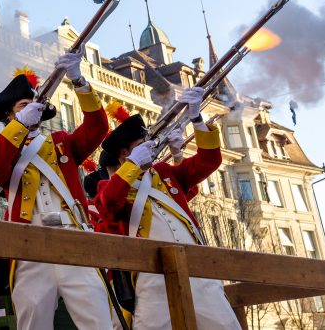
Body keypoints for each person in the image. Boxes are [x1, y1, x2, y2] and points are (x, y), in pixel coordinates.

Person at [0, 54, 117, 330]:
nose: (32, 108)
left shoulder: (61, 143)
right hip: (28, 245)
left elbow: (98, 128)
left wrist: (78, 81)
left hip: (74, 239)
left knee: (98, 320)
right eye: (23, 106)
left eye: (34, 104)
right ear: (10, 114)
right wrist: (20, 126)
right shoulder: (6, 146)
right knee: (32, 323)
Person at [96, 87, 240, 330]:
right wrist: (132, 165)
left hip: (197, 267)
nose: (150, 148)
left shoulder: (164, 173)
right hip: (151, 277)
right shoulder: (111, 184)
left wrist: (197, 119)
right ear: (125, 154)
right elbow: (110, 202)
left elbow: (209, 161)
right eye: (141, 145)